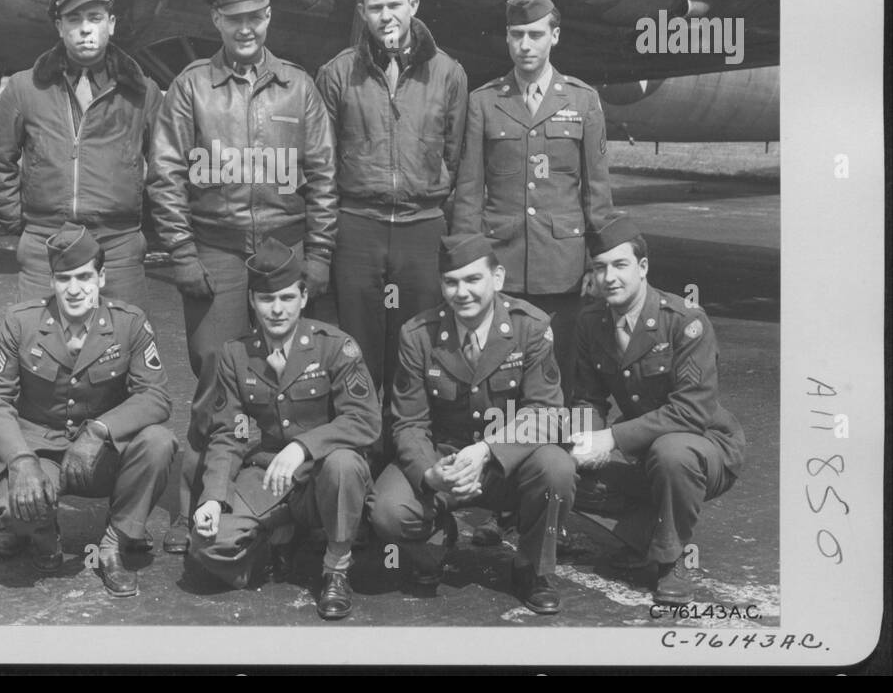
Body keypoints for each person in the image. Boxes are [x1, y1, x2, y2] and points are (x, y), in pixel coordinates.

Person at [149, 0, 338, 552]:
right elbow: (166, 175)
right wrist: (182, 252)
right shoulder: (190, 87)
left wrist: (321, 254)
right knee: (212, 372)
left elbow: (325, 178)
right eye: (234, 19)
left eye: (255, 16)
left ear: (268, 18)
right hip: (217, 250)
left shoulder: (299, 88)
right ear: (216, 22)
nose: (246, 28)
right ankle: (197, 503)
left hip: (286, 247)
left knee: (297, 372)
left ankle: (298, 502)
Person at [369, 233, 576, 614]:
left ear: (496, 278)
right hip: (445, 458)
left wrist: (488, 451)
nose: (461, 292)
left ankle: (531, 568)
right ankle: (433, 546)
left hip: (506, 463)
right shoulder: (418, 335)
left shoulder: (530, 326)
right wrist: (429, 473)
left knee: (557, 468)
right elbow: (408, 422)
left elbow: (547, 411)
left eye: (472, 279)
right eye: (451, 282)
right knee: (387, 510)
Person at [0, 223, 177, 597]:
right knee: (21, 504)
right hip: (43, 454)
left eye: (84, 276)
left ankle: (114, 543)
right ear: (52, 281)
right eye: (63, 278)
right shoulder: (21, 322)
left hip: (102, 456)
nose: (74, 288)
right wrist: (20, 460)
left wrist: (100, 428)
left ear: (101, 277)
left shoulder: (129, 323)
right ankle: (42, 534)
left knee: (159, 442)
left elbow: (156, 396)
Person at [315, 0, 468, 440]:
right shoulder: (338, 74)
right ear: (363, 12)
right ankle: (359, 443)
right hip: (359, 223)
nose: (386, 16)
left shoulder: (448, 74)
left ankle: (410, 442)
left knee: (418, 341)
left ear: (413, 7)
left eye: (395, 5)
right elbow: (323, 161)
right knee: (358, 345)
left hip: (423, 227)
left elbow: (456, 156)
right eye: (376, 7)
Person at [188, 239, 379, 620]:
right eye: (265, 299)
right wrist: (213, 497)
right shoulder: (236, 354)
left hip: (324, 475)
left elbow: (364, 420)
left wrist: (304, 447)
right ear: (252, 302)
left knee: (344, 464)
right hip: (267, 478)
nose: (276, 309)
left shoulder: (336, 347)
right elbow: (231, 433)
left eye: (287, 298)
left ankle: (336, 569)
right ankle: (281, 536)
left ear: (304, 297)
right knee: (207, 546)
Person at [570, 214, 745, 605]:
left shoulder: (685, 321)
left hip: (704, 446)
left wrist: (610, 437)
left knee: (672, 454)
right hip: (641, 449)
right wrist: (583, 443)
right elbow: (588, 397)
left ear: (643, 267)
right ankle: (645, 533)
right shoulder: (591, 322)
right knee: (561, 467)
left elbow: (690, 411)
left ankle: (671, 559)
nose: (609, 278)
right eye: (599, 268)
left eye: (620, 265)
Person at [452, 0, 613, 394]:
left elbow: (597, 196)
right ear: (507, 37)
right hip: (501, 259)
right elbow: (469, 193)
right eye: (517, 34)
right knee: (502, 368)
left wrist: (599, 263)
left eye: (536, 34)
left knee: (559, 369)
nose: (526, 44)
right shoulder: (484, 102)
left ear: (554, 36)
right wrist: (469, 263)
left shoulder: (583, 100)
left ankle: (555, 451)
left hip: (561, 265)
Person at [0, 0, 162, 306]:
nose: (85, 28)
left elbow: (165, 167)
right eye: (74, 19)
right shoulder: (24, 88)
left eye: (94, 18)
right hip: (46, 243)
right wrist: (20, 223)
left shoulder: (144, 93)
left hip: (118, 245)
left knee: (122, 345)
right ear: (59, 27)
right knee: (40, 346)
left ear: (111, 24)